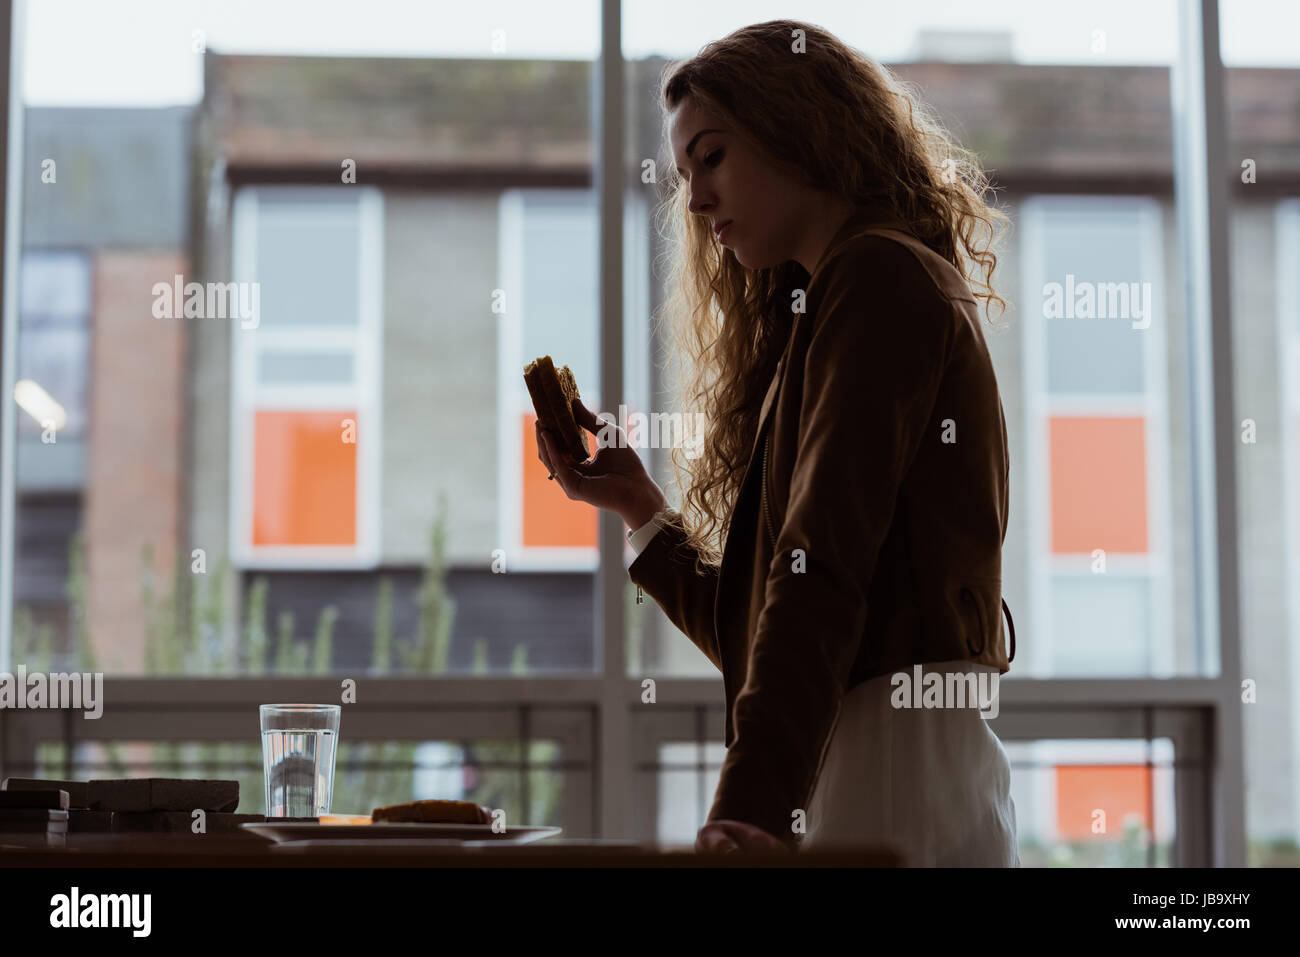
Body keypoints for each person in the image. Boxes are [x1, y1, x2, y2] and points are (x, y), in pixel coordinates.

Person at [536, 19, 1019, 866]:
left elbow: (820, 572)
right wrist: (640, 508)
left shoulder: (877, 279)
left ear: (800, 126)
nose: (695, 201)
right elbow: (778, 617)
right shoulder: (850, 293)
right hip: (873, 756)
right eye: (685, 173)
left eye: (712, 157)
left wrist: (749, 809)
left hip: (886, 766)